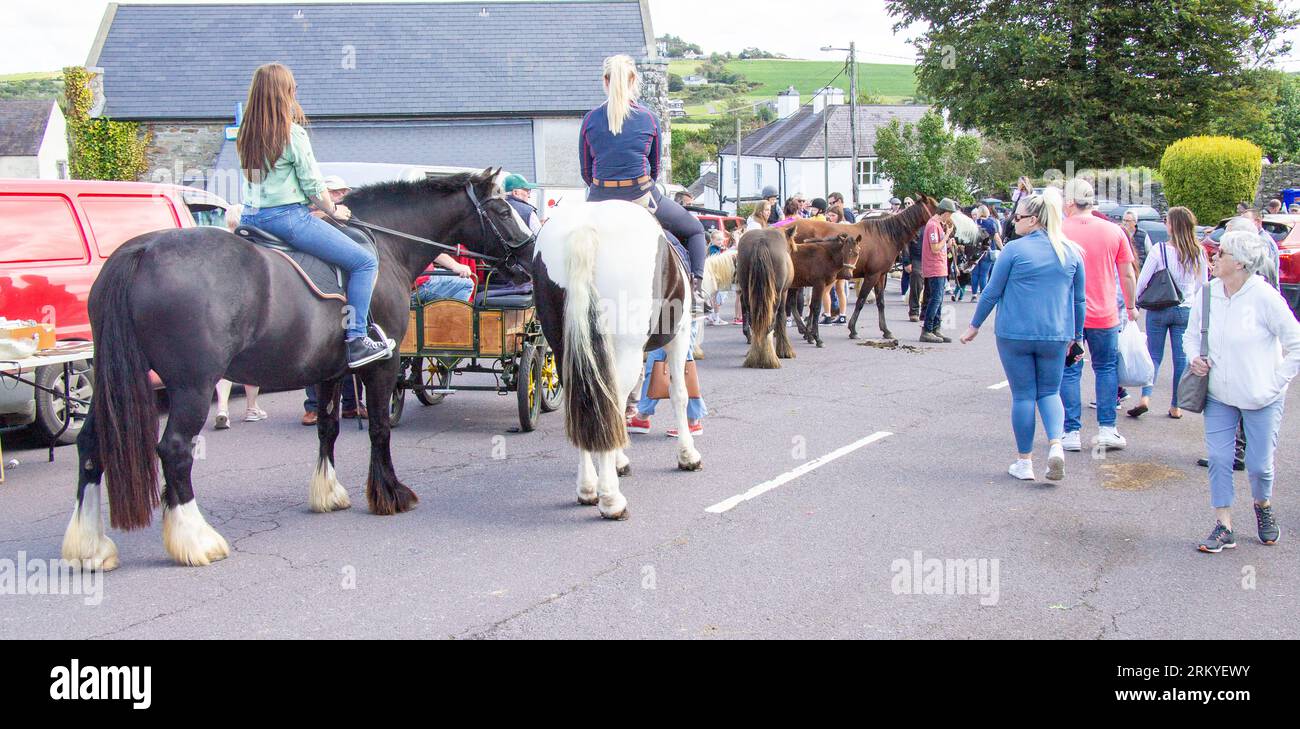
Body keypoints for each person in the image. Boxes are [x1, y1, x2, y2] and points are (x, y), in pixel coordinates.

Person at [237, 63, 392, 368]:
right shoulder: (291, 134)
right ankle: (357, 340)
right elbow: (312, 187)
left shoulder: (246, 133)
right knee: (364, 261)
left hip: (251, 218)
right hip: (287, 220)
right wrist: (335, 210)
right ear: (286, 92)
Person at [1186, 230, 1300, 552]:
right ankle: (1224, 525)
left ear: (1239, 263)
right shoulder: (1207, 294)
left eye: (1220, 253)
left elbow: (1296, 345)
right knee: (1220, 458)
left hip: (1261, 398)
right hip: (1219, 395)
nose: (1214, 256)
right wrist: (1194, 358)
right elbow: (1192, 335)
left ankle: (1262, 505)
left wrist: (1276, 384)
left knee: (1259, 464)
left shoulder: (1265, 298)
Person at [961, 189, 1084, 481]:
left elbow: (992, 291)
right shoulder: (1071, 252)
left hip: (1014, 333)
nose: (1014, 222)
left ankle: (1024, 461)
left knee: (1024, 395)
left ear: (1034, 220)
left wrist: (974, 325)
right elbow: (1079, 299)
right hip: (1056, 333)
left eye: (1019, 217)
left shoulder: (1014, 250)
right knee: (1050, 392)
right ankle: (1056, 444)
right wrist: (1077, 336)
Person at [580, 54, 708, 312]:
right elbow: (655, 169)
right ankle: (695, 291)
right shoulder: (648, 118)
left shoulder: (590, 120)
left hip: (598, 200)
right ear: (634, 80)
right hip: (640, 197)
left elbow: (585, 170)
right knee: (695, 231)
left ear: (605, 81)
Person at [1058, 179, 1137, 452]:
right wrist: (1131, 306)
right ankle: (1107, 428)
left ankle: (1070, 431)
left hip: (1067, 314)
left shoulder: (1058, 231)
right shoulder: (1114, 231)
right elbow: (1127, 273)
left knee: (1069, 370)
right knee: (1105, 368)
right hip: (1104, 312)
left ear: (1070, 201)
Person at [1127, 206, 1209, 420]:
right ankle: (1176, 405)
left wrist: (1136, 301)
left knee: (1154, 355)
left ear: (1172, 225)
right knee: (1180, 359)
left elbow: (1143, 280)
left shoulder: (1160, 250)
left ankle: (1145, 397)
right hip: (1185, 309)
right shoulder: (1198, 252)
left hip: (1159, 307)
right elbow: (1203, 285)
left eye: (1167, 221)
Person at [626, 323, 707, 437]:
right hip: (665, 314)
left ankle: (693, 419)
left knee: (682, 362)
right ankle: (642, 415)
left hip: (684, 313)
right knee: (657, 362)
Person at [920, 198, 958, 343]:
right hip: (934, 267)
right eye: (950, 214)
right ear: (946, 212)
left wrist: (947, 244)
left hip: (940, 267)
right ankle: (927, 330)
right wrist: (947, 235)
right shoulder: (933, 225)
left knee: (938, 299)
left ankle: (936, 328)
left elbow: (939, 247)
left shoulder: (937, 225)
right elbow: (935, 248)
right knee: (935, 299)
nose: (950, 217)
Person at [971, 205, 1002, 303]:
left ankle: (974, 295)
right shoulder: (991, 222)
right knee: (984, 274)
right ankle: (983, 294)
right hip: (987, 250)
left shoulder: (974, 223)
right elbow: (996, 237)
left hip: (975, 251)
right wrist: (1002, 248)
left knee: (975, 274)